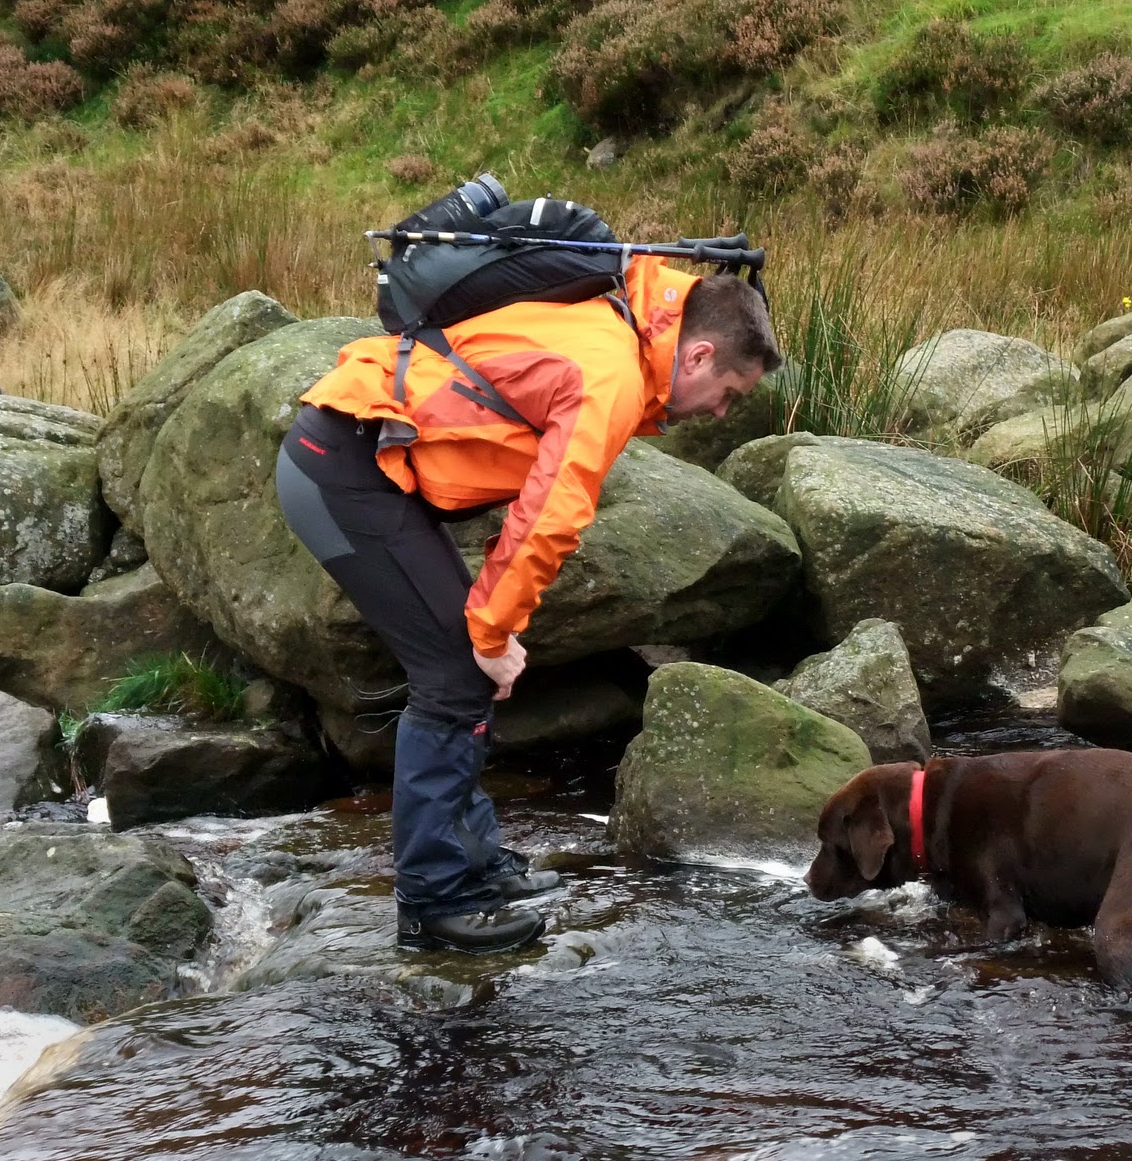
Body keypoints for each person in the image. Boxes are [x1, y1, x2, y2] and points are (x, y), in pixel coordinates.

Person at [275, 260, 782, 955]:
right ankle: (434, 904)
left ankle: (473, 859)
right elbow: (550, 519)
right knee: (454, 674)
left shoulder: (616, 322)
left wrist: (495, 628)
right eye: (729, 393)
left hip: (368, 460)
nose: (721, 412)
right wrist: (491, 632)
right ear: (697, 354)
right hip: (343, 469)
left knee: (470, 663)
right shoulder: (613, 373)